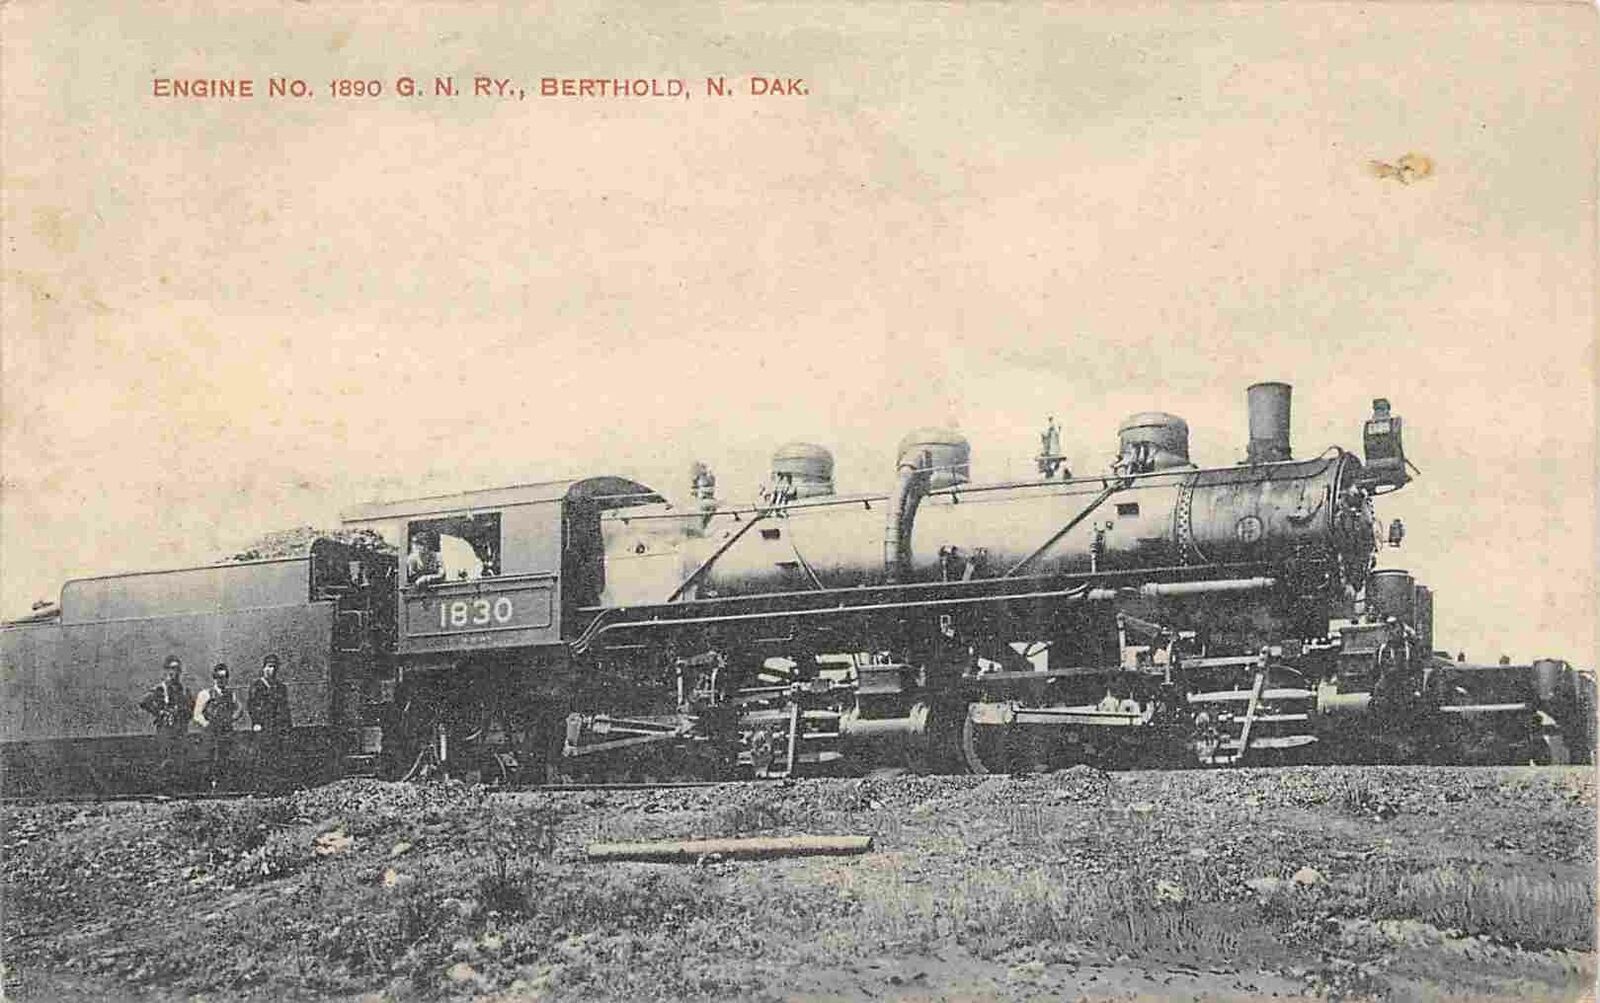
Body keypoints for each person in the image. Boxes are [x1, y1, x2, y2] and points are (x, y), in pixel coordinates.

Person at [138, 655, 192, 789]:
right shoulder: (161, 688)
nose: (175, 672)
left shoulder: (183, 689)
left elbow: (191, 706)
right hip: (166, 729)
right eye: (172, 669)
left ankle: (177, 789)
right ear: (167, 670)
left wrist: (184, 715)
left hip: (180, 728)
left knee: (179, 758)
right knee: (165, 758)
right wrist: (160, 712)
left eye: (178, 669)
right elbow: (144, 701)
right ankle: (163, 789)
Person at [248, 653, 293, 792]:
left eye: (274, 667)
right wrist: (256, 723)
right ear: (263, 668)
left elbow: (285, 708)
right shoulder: (257, 686)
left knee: (277, 756)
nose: (271, 670)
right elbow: (252, 706)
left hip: (277, 727)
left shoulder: (281, 687)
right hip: (263, 726)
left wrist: (287, 726)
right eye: (268, 667)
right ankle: (260, 788)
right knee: (262, 757)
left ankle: (275, 787)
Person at [193, 663, 241, 791]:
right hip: (210, 733)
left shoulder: (231, 694)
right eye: (218, 677)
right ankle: (206, 788)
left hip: (225, 731)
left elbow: (239, 709)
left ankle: (222, 786)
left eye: (224, 677)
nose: (221, 680)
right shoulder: (205, 694)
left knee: (224, 757)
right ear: (214, 678)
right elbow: (197, 714)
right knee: (209, 758)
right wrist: (207, 724)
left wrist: (232, 718)